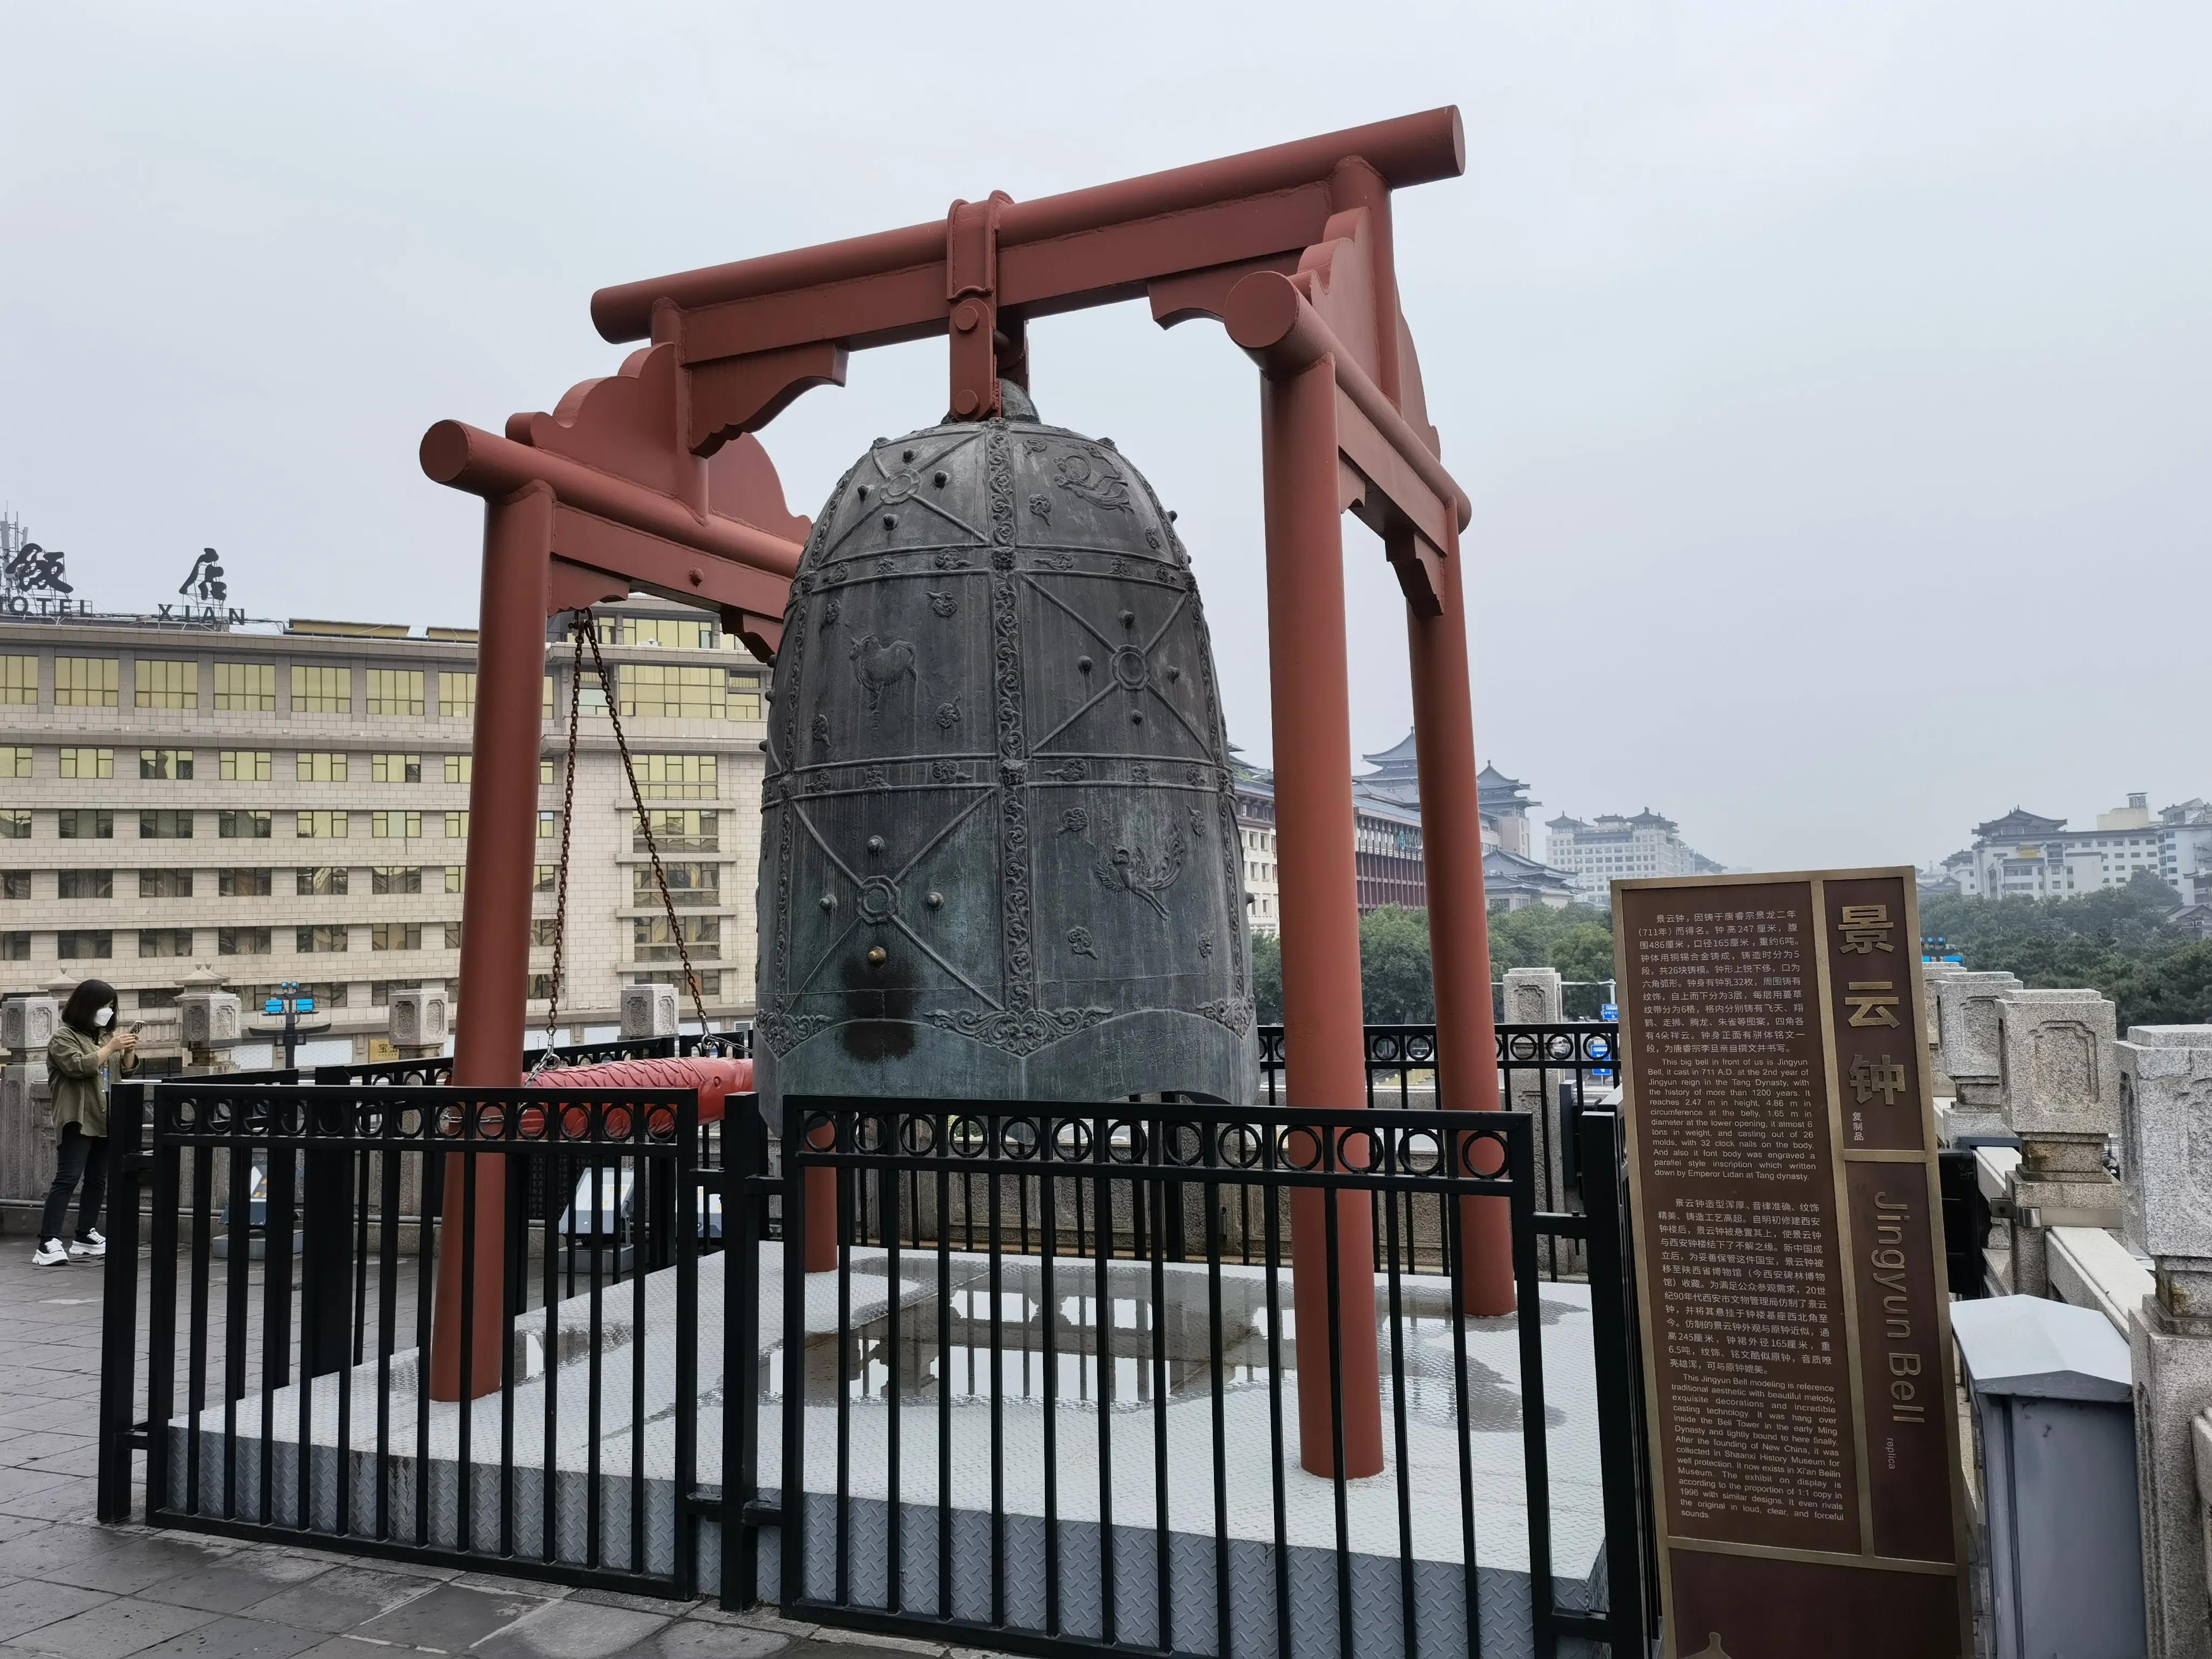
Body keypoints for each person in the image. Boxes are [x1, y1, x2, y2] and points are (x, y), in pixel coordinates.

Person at [36, 979, 137, 1267]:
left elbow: (123, 1072)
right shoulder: (63, 1038)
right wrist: (112, 1047)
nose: (107, 1011)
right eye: (103, 1006)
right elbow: (79, 1067)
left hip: (105, 1118)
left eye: (111, 1006)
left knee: (97, 1179)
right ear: (87, 1007)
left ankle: (85, 1235)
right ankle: (48, 1241)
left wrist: (127, 1052)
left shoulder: (106, 1038)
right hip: (77, 1118)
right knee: (67, 1179)